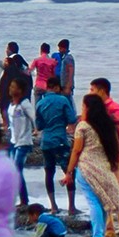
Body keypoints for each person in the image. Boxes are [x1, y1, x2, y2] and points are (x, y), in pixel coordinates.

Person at [66, 92, 119, 237]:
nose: (82, 109)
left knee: (93, 202)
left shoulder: (83, 126)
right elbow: (116, 146)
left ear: (88, 108)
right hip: (104, 169)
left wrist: (69, 171)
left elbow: (76, 151)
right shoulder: (108, 125)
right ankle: (100, 236)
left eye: (83, 106)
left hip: (86, 169)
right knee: (103, 204)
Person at [34, 78, 79, 212]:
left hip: (46, 141)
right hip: (60, 140)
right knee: (69, 172)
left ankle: (53, 206)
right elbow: (71, 119)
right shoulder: (63, 101)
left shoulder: (40, 103)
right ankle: (71, 206)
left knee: (49, 172)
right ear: (57, 87)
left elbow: (39, 125)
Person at [4, 80, 37, 203]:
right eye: (11, 86)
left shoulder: (25, 104)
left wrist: (36, 129)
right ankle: (17, 199)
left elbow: (34, 118)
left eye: (13, 87)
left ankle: (24, 200)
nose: (10, 88)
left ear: (20, 90)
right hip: (13, 141)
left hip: (23, 142)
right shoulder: (11, 104)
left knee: (16, 170)